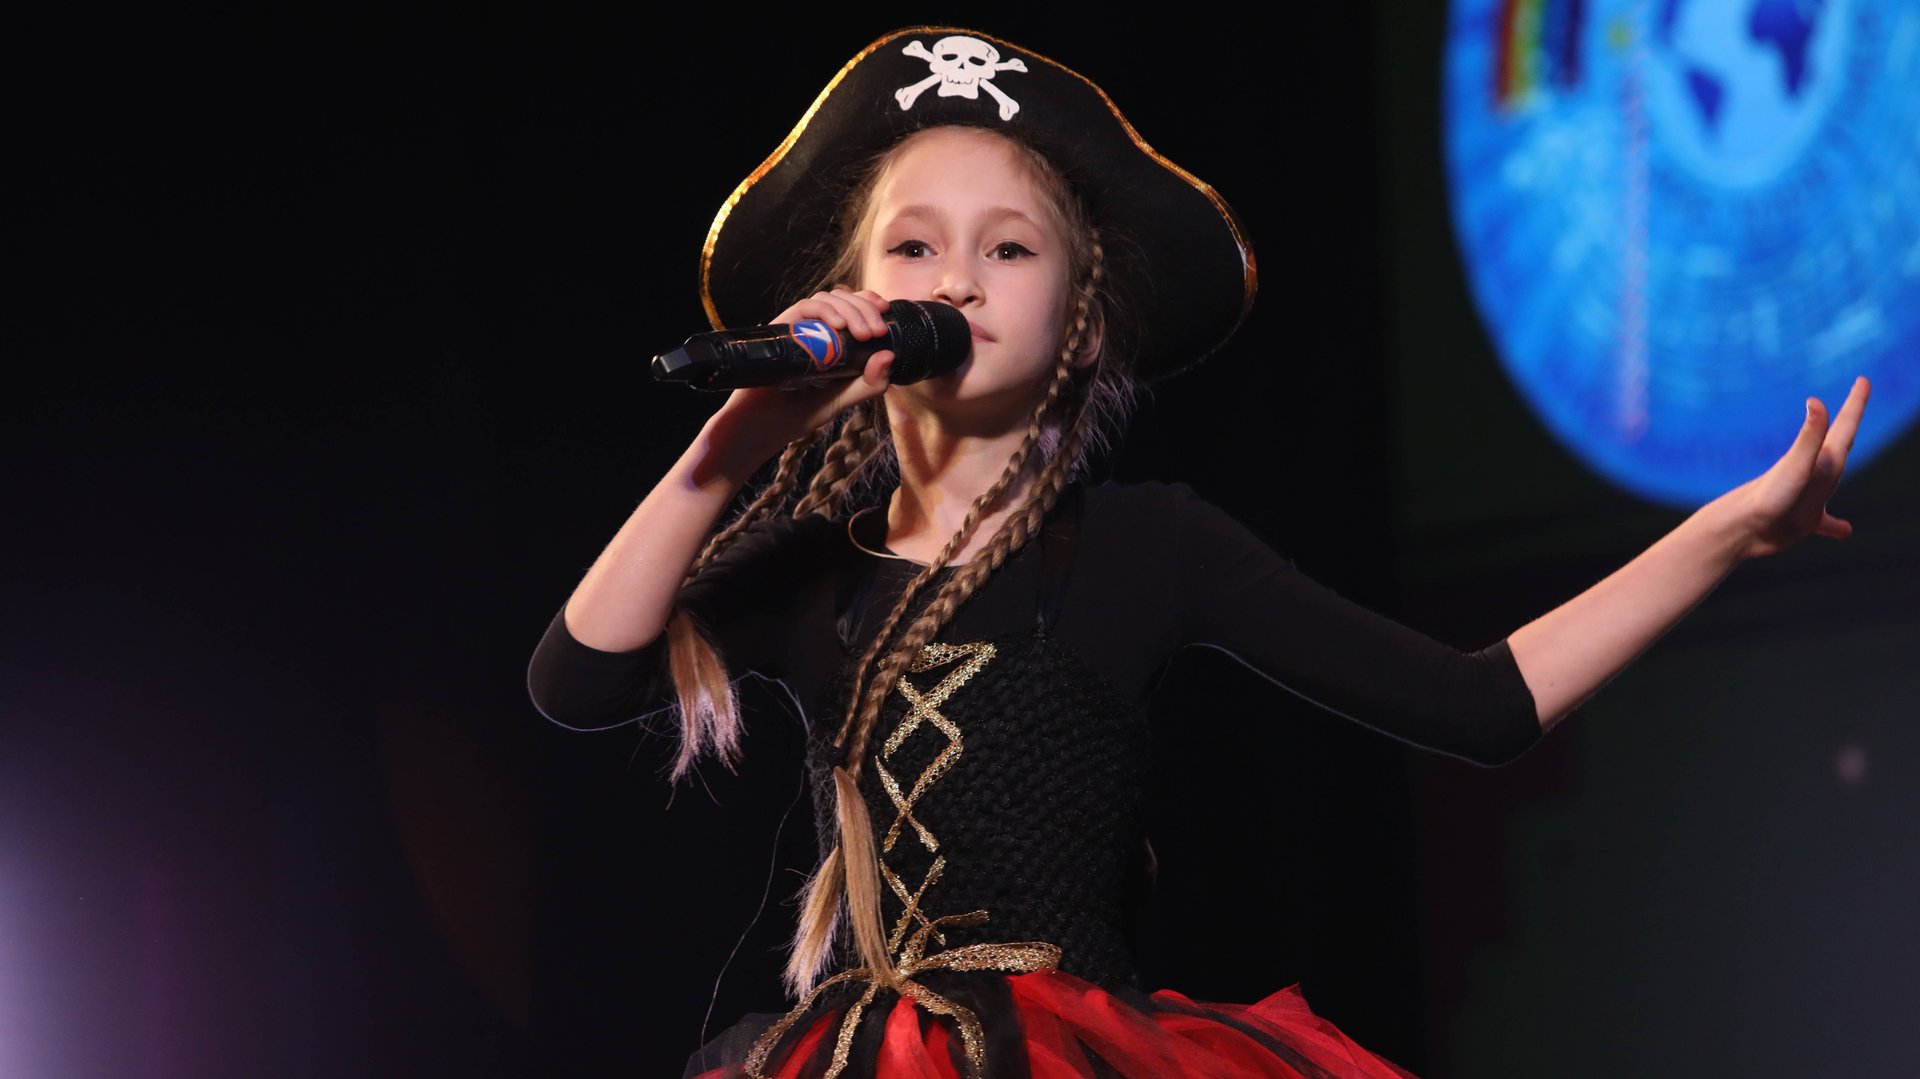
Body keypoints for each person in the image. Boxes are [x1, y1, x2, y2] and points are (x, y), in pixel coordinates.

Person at [526, 27, 1871, 1079]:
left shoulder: (1149, 546)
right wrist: (737, 438)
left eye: (1010, 249)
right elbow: (576, 679)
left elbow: (1480, 704)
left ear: (1084, 318)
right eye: (914, 247)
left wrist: (1724, 535)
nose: (958, 280)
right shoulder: (810, 565)